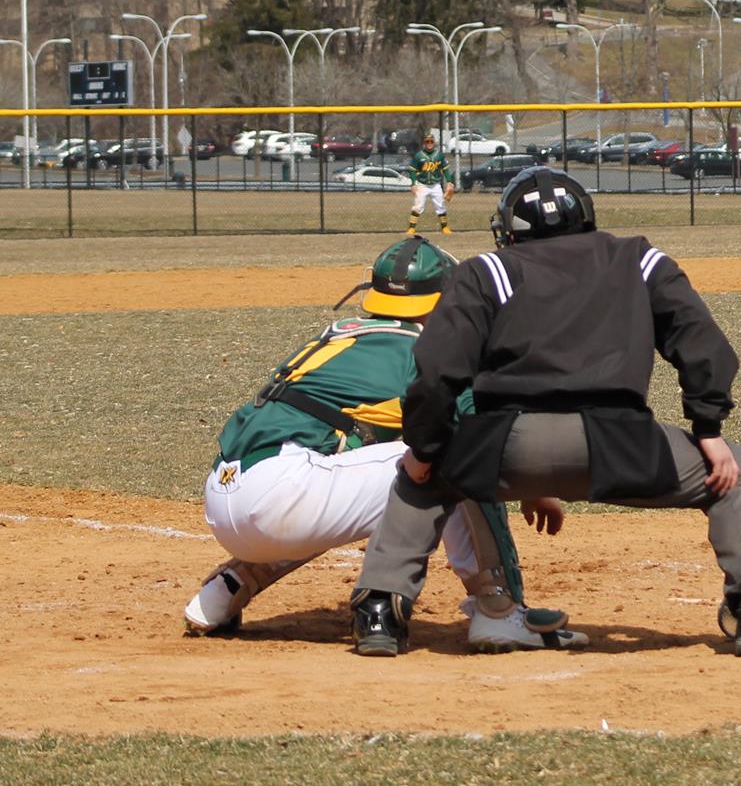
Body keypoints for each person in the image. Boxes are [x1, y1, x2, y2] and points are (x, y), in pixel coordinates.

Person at [349, 168, 741, 658]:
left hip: (506, 449)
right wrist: (707, 428)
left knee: (420, 480)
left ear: (511, 228)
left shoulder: (487, 271)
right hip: (621, 447)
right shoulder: (639, 259)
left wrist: (425, 450)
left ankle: (381, 610)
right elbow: (704, 345)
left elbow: (435, 372)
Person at [184, 237, 586, 652]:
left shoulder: (339, 334)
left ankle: (226, 588)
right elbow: (480, 433)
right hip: (283, 490)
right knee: (452, 453)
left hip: (226, 491)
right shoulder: (426, 347)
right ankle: (499, 610)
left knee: (357, 478)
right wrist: (537, 489)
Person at [406, 133, 454, 236]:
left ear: (434, 142)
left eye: (431, 141)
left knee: (440, 205)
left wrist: (449, 181)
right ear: (424, 143)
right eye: (427, 141)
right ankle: (411, 228)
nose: (429, 143)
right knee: (418, 206)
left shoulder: (439, 155)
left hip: (435, 185)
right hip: (422, 185)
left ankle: (444, 227)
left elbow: (445, 169)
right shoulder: (419, 156)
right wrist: (413, 183)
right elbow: (412, 170)